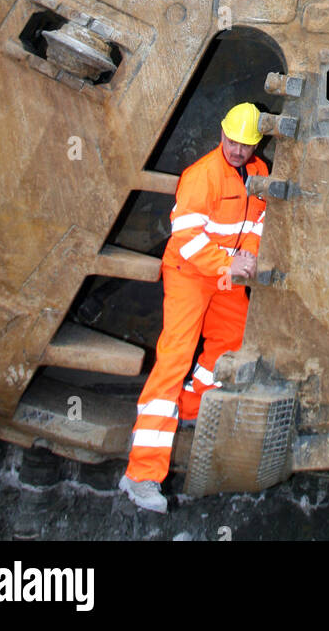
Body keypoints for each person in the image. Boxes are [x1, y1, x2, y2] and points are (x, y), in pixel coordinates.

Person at [118, 102, 269, 512]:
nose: (237, 150)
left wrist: (249, 259)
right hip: (189, 273)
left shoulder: (258, 174)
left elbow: (255, 225)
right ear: (222, 134)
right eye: (233, 142)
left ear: (257, 144)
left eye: (246, 145)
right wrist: (230, 264)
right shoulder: (200, 176)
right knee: (174, 359)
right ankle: (141, 475)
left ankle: (189, 409)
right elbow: (186, 239)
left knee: (231, 341)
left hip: (224, 276)